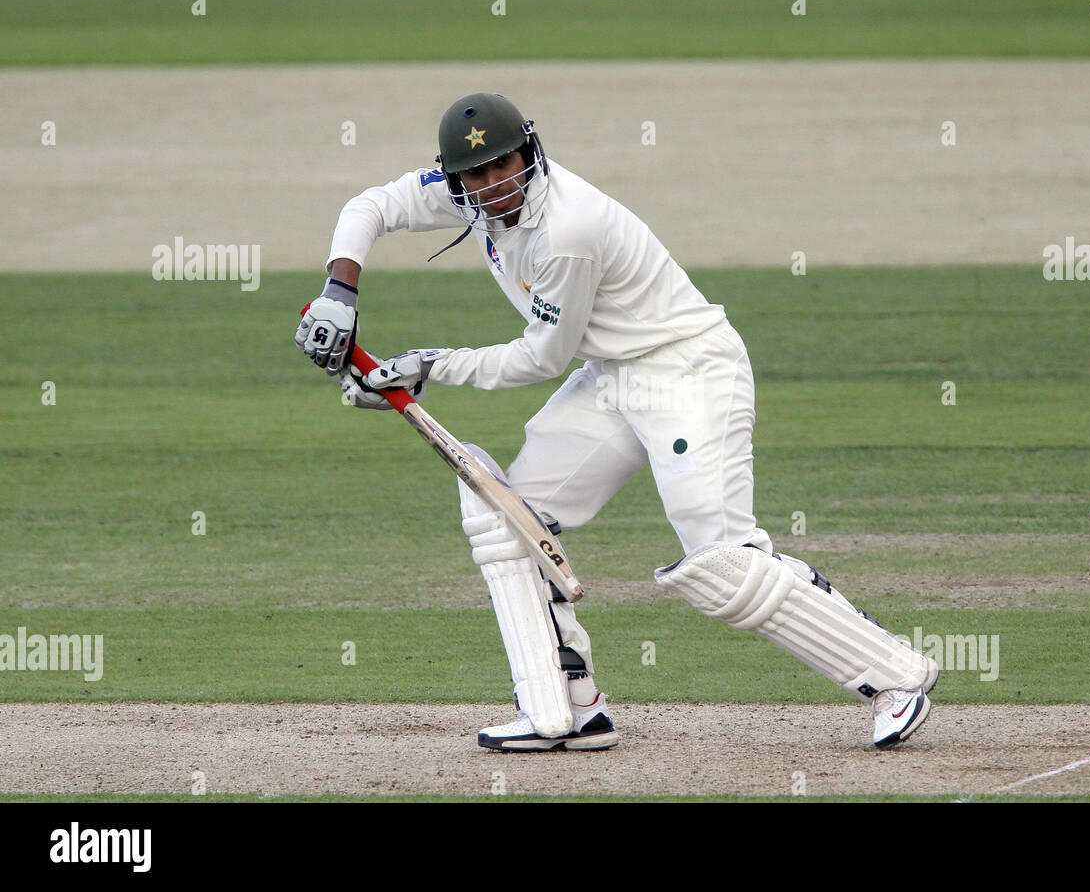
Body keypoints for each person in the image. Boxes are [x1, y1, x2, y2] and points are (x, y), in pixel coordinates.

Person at [294, 92, 938, 751]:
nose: (494, 185)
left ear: (529, 153)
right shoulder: (463, 196)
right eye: (477, 174)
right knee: (507, 515)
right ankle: (567, 710)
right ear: (457, 178)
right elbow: (368, 206)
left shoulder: (567, 230)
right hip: (614, 375)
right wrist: (339, 291)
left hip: (688, 372)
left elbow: (541, 357)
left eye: (504, 165)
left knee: (722, 563)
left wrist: (428, 366)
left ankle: (896, 678)